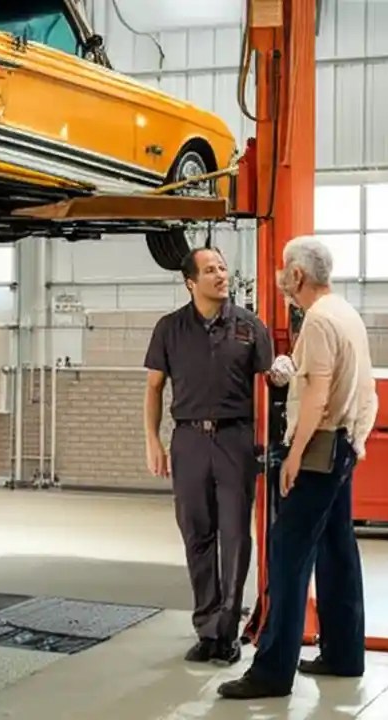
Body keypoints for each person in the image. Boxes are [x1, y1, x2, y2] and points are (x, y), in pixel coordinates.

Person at [219, 237, 378, 700]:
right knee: (337, 549)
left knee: (288, 554)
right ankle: (344, 653)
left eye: (285, 269)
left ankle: (271, 672)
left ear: (298, 275)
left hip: (319, 448)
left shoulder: (319, 320)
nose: (281, 277)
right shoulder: (345, 312)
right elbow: (358, 385)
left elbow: (318, 396)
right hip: (343, 444)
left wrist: (294, 455)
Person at [143, 247, 292, 665]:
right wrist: (152, 440)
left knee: (235, 535)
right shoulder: (170, 328)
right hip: (188, 440)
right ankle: (206, 629)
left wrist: (284, 375)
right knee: (197, 534)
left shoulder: (249, 326)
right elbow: (154, 387)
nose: (221, 275)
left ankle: (226, 633)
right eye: (210, 270)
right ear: (190, 282)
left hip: (235, 440)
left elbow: (273, 382)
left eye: (223, 268)